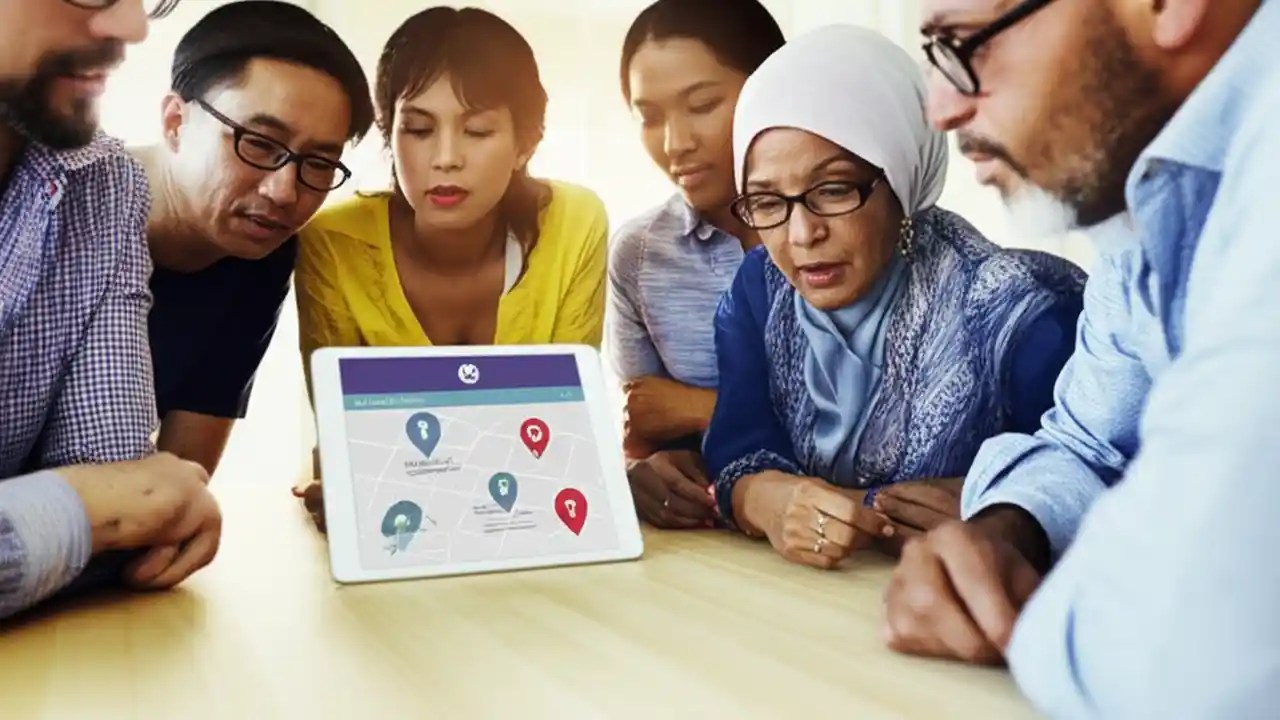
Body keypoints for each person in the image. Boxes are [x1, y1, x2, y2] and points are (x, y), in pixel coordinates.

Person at [884, 1, 1280, 716]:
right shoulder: (1145, 206)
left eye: (964, 43)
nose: (940, 110)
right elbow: (1085, 445)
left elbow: (1181, 661)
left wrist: (1056, 607)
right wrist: (1008, 532)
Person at [702, 25, 1085, 571]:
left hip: (972, 600)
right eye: (766, 201)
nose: (801, 234)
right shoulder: (761, 288)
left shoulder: (1021, 315)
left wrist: (1015, 515)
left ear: (901, 180)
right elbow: (736, 446)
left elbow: (1095, 481)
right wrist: (761, 497)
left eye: (834, 189)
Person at [293, 7, 608, 527]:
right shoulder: (333, 242)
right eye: (417, 129)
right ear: (388, 133)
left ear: (526, 143)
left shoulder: (574, 222)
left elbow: (568, 438)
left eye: (477, 131)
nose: (445, 158)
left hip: (528, 532)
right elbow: (346, 448)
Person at [0, 0, 219, 621]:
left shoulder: (106, 184)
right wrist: (88, 512)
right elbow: (121, 504)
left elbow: (137, 502)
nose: (135, 28)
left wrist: (105, 512)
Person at [132, 0, 373, 476]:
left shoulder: (261, 255)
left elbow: (180, 479)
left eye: (319, 164)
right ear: (176, 122)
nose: (285, 192)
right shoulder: (55, 202)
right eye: (259, 144)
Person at [609, 0, 785, 529]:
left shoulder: (842, 230)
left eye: (703, 104)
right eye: (650, 117)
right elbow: (644, 428)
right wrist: (643, 473)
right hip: (715, 541)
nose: (675, 144)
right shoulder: (640, 255)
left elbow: (882, 427)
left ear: (772, 87)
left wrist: (699, 407)